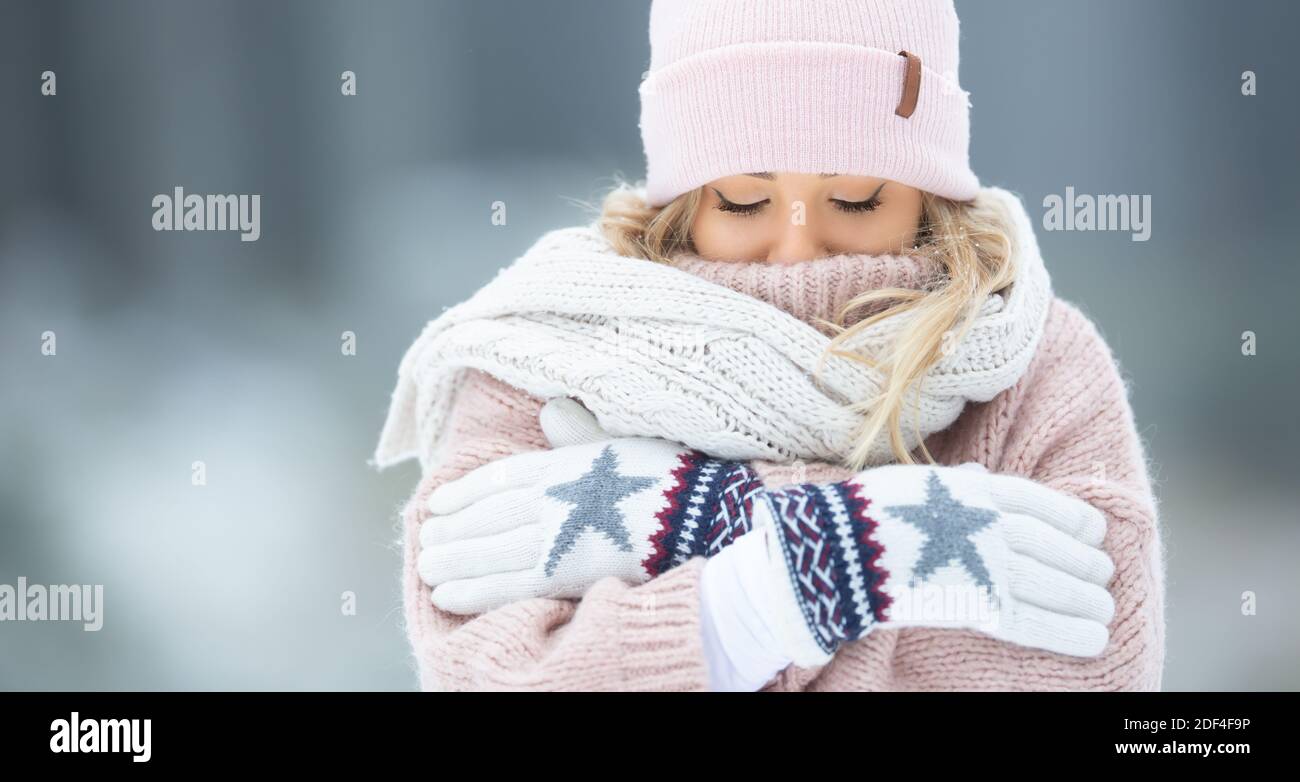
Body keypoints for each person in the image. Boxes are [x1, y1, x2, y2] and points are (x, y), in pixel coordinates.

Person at [374, 0, 1165, 691]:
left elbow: (1103, 666)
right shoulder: (550, 356)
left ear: (929, 194)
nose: (796, 248)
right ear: (681, 199)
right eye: (743, 199)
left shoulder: (1033, 362)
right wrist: (783, 573)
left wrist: (678, 538)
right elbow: (490, 673)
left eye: (856, 198)